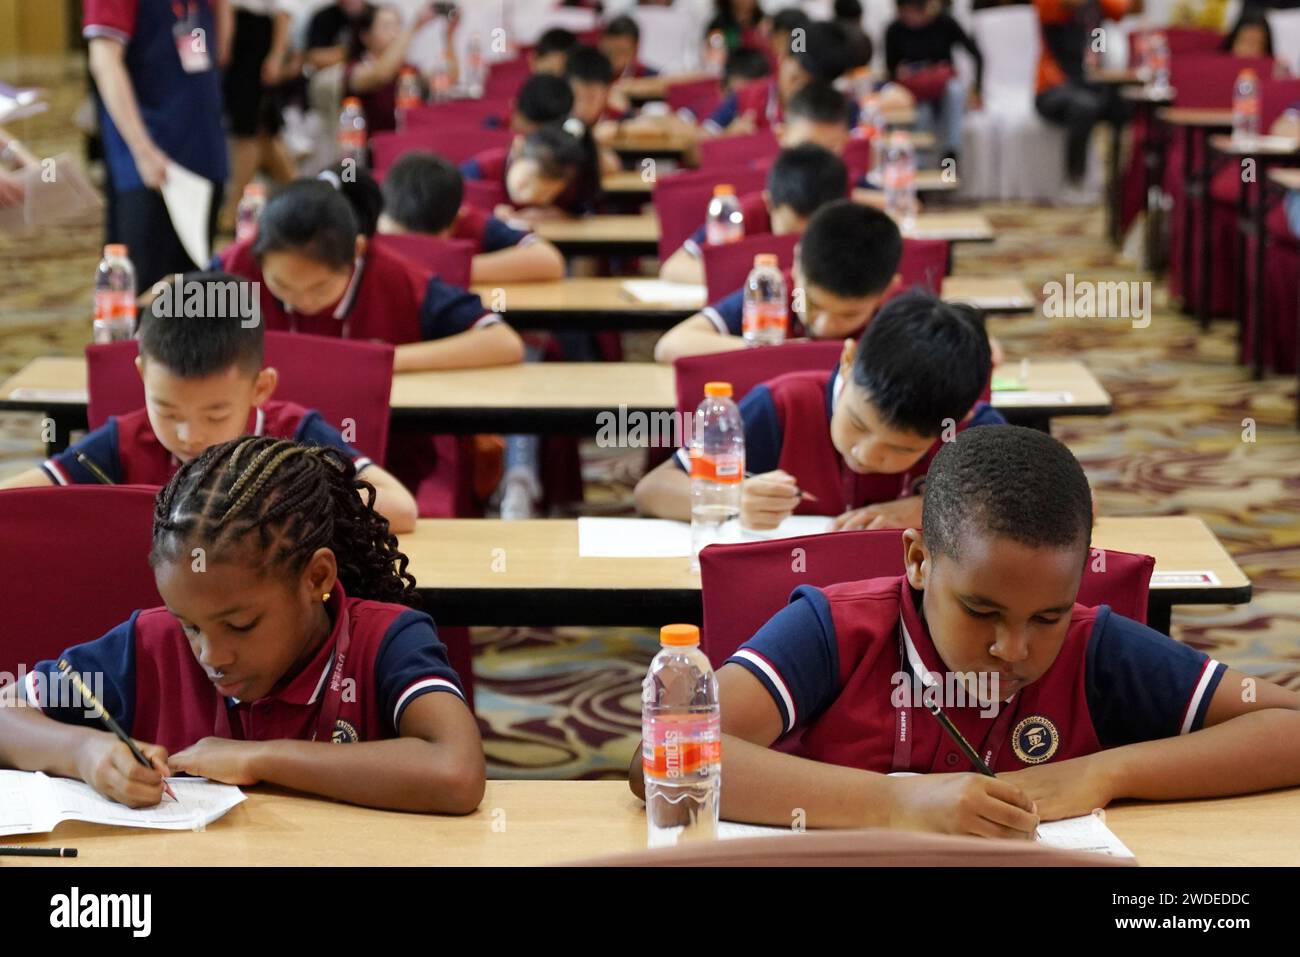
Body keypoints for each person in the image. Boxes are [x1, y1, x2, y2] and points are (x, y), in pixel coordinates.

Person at [630, 425, 1300, 835]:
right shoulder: (836, 630)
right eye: (982, 612)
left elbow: (1288, 726)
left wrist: (1108, 770)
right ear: (919, 560)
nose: (1016, 648)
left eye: (1047, 615)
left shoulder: (1095, 646)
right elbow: (662, 758)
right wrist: (896, 803)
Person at [0, 436, 485, 814]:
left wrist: (260, 757)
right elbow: (7, 712)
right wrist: (84, 751)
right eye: (191, 625)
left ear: (315, 577)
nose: (210, 653)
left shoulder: (386, 641)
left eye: (241, 624)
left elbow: (456, 771)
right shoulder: (151, 644)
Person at [0, 271, 418, 531]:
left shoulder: (295, 436)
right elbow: (17, 499)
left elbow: (399, 507)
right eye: (167, 410)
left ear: (260, 389)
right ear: (143, 375)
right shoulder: (125, 441)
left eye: (216, 413)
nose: (188, 434)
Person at [637, 291, 1002, 531]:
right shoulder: (782, 407)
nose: (867, 453)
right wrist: (733, 499)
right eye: (858, 424)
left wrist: (928, 507)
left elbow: (1028, 509)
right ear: (847, 359)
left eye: (903, 449)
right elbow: (652, 490)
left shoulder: (970, 430)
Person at [220, 179, 524, 372]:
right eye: (282, 286)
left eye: (320, 287)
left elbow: (502, 341)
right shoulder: (236, 268)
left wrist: (378, 362)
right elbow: (173, 301)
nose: (302, 300)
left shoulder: (396, 279)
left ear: (357, 251)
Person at [84, 0, 229, 292]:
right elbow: (104, 61)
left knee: (195, 290)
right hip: (151, 160)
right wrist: (143, 150)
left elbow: (219, 52)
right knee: (146, 291)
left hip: (202, 146)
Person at [654, 199, 902, 362]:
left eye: (848, 315)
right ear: (796, 265)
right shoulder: (774, 291)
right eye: (812, 305)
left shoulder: (899, 318)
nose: (825, 326)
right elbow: (670, 345)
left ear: (885, 291)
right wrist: (777, 353)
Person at [659, 143, 849, 285]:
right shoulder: (737, 214)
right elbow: (674, 268)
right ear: (768, 203)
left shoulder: (847, 223)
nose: (798, 247)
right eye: (789, 236)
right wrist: (760, 280)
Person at [377, 151, 566, 282]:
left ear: (454, 221)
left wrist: (455, 269)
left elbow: (550, 261)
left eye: (426, 246)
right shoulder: (363, 228)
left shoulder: (469, 220)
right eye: (400, 241)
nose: (414, 251)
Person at [1033, 0, 1133, 187]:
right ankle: (1075, 176)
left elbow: (1121, 9)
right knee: (1084, 105)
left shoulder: (1095, 21)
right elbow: (1046, 7)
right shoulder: (1054, 13)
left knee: (1121, 106)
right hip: (1054, 87)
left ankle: (1117, 180)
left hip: (1090, 83)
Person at [218, 0, 298, 231]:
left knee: (246, 129)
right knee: (262, 130)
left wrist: (276, 53)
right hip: (231, 30)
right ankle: (302, 194)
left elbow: (285, 7)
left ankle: (234, 209)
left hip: (253, 36)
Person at [884, 0, 984, 161]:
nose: (912, 18)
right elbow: (890, 70)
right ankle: (920, 173)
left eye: (915, 11)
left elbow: (975, 54)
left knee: (955, 92)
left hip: (943, 88)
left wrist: (977, 89)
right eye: (906, 12)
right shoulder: (894, 30)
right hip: (916, 93)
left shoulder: (944, 23)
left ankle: (950, 158)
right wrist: (901, 72)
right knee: (922, 116)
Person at [344, 3, 441, 136]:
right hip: (370, 150)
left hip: (406, 144)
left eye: (398, 26)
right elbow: (381, 74)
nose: (395, 33)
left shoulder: (407, 69)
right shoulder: (355, 69)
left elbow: (441, 83)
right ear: (365, 36)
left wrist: (450, 37)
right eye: (386, 27)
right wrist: (415, 27)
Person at [600, 14, 658, 80]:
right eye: (609, 51)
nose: (614, 58)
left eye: (621, 52)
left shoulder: (649, 76)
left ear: (635, 50)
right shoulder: (591, 74)